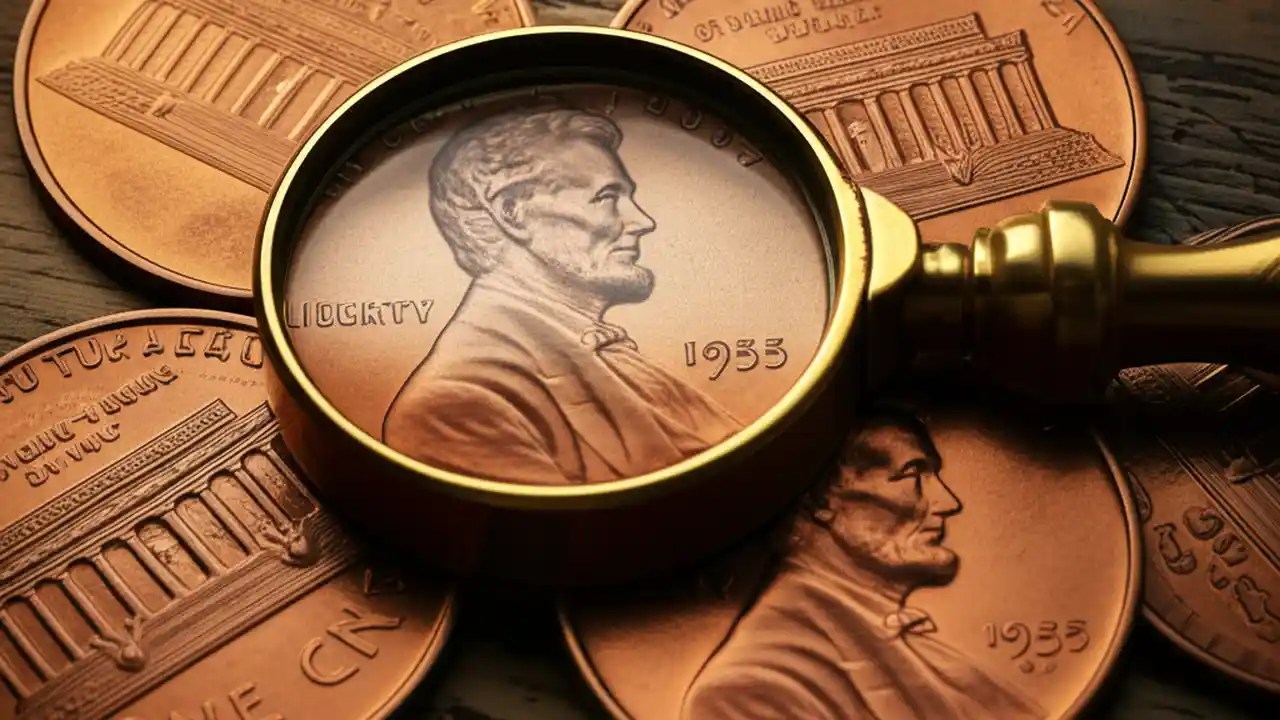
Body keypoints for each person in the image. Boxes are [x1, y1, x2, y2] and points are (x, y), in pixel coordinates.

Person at [383, 106, 741, 485]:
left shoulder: (609, 358)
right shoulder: (457, 404)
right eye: (607, 197)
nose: (642, 221)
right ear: (512, 212)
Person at [681, 407, 1044, 719]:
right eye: (914, 475)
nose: (948, 502)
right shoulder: (750, 690)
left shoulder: (900, 643)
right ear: (819, 497)